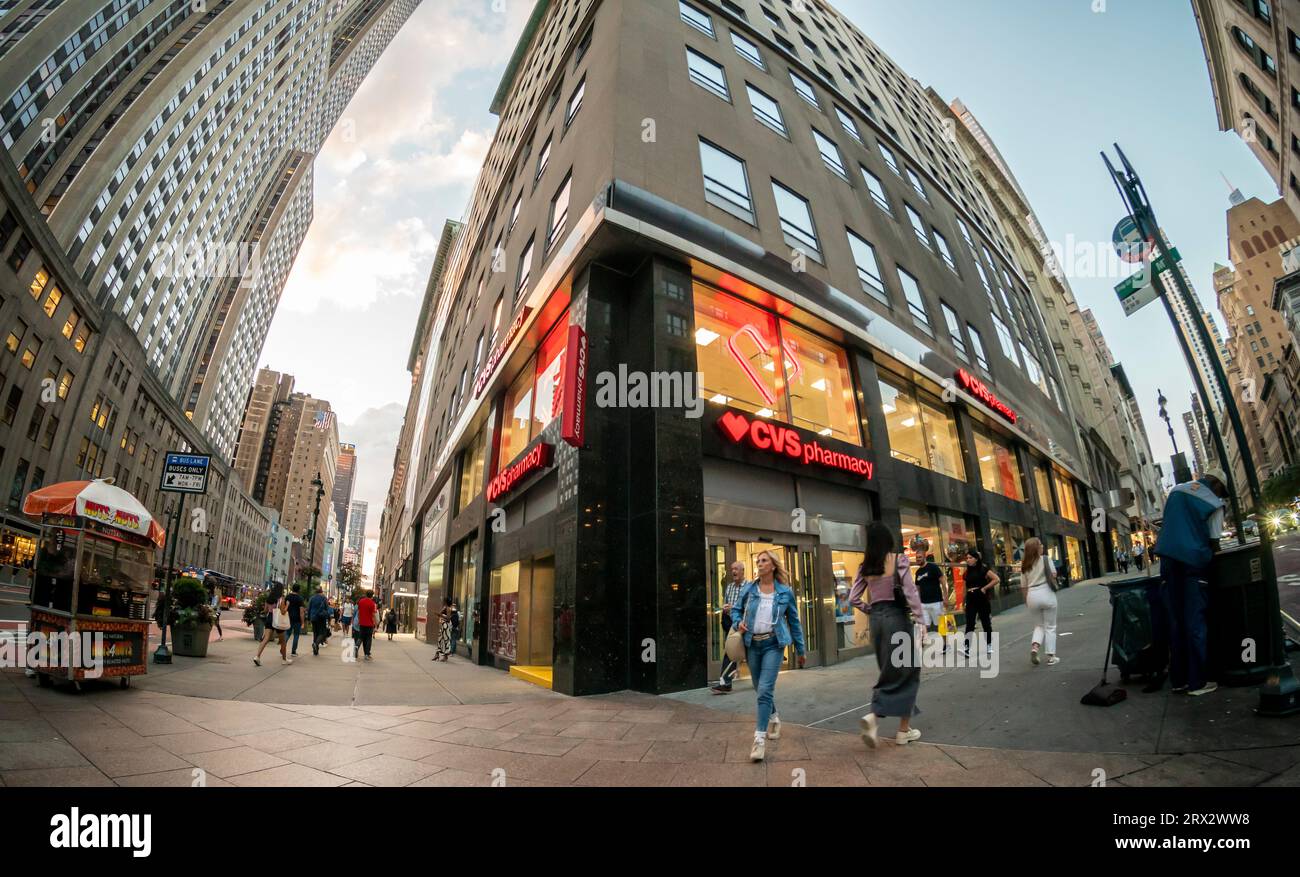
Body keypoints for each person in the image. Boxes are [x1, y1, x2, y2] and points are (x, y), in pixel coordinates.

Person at [1153, 468, 1229, 697]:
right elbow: (1215, 543)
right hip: (1193, 564)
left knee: (1175, 621)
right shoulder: (1214, 503)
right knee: (1195, 620)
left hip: (1168, 561)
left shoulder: (1176, 490)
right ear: (1216, 484)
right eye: (1222, 490)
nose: (1221, 495)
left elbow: (1171, 525)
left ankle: (1180, 680)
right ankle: (1198, 681)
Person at [851, 523, 926, 749]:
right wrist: (921, 618)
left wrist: (870, 609)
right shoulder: (898, 560)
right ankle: (877, 718)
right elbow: (910, 591)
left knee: (893, 670)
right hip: (896, 619)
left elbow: (853, 598)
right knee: (909, 670)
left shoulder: (866, 566)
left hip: (877, 621)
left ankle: (904, 730)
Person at [732, 550, 806, 762]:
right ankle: (773, 716)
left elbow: (794, 622)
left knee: (765, 689)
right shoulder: (749, 588)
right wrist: (739, 622)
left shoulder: (785, 592)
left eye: (764, 561)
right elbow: (736, 611)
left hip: (774, 644)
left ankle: (759, 740)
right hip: (752, 644)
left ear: (773, 565)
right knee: (758, 687)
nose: (760, 564)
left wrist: (800, 651)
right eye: (758, 561)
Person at [1019, 537, 1059, 666]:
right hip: (1046, 593)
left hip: (1032, 595)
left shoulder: (1024, 565)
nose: (1042, 546)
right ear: (1037, 548)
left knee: (1038, 625)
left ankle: (1035, 647)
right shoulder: (1046, 560)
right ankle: (1051, 656)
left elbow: (1023, 586)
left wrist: (1026, 600)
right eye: (1040, 545)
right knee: (1050, 626)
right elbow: (1054, 575)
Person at [711, 561, 747, 694]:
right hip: (732, 625)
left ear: (743, 571)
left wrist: (735, 609)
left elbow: (750, 608)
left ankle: (761, 680)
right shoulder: (729, 587)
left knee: (753, 653)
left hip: (745, 626)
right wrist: (725, 609)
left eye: (736, 569)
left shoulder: (749, 587)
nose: (734, 571)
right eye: (732, 569)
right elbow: (727, 605)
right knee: (730, 652)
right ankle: (726, 683)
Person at [961, 549, 999, 658]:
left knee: (985, 622)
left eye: (970, 558)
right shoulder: (966, 573)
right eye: (967, 558)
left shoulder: (983, 569)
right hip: (970, 598)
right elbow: (964, 588)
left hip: (981, 597)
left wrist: (985, 588)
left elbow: (996, 579)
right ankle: (967, 647)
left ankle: (989, 644)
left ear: (976, 559)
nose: (968, 560)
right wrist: (963, 603)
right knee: (970, 623)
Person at [914, 553, 947, 648]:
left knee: (940, 625)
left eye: (920, 557)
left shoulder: (933, 567)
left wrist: (945, 597)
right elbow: (917, 588)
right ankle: (921, 643)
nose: (918, 559)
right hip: (923, 604)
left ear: (924, 557)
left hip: (936, 602)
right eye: (917, 558)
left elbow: (943, 582)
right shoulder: (918, 572)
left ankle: (945, 644)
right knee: (923, 625)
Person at [254, 584, 291, 667]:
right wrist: (287, 605)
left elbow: (265, 610)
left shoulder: (269, 599)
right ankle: (284, 660)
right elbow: (283, 612)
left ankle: (257, 656)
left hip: (270, 618)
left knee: (266, 638)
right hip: (278, 620)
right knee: (283, 641)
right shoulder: (281, 599)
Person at [354, 590, 377, 661]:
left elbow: (358, 613)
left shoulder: (361, 602)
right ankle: (367, 654)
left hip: (362, 623)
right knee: (368, 639)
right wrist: (375, 625)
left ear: (366, 594)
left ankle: (356, 646)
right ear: (372, 595)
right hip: (369, 624)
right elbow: (373, 615)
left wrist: (360, 620)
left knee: (361, 637)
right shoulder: (372, 603)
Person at [308, 586, 330, 656]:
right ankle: (316, 644)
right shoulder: (324, 598)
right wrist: (328, 617)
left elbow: (309, 608)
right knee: (322, 633)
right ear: (321, 591)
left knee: (315, 633)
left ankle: (316, 651)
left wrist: (308, 618)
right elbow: (327, 608)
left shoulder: (312, 598)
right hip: (321, 617)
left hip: (313, 617)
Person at [284, 584, 305, 656]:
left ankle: (282, 649)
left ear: (292, 589)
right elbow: (301, 612)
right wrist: (303, 622)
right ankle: (293, 651)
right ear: (299, 590)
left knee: (287, 633)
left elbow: (284, 607)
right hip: (297, 619)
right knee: (296, 635)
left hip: (288, 618)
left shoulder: (288, 597)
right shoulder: (300, 599)